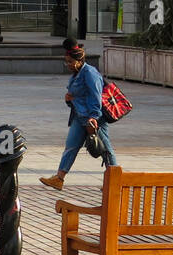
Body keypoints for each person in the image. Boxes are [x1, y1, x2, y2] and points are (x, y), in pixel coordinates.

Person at [39, 41, 117, 190]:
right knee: (71, 146)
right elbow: (79, 96)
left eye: (70, 62)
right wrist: (69, 100)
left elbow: (96, 96)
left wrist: (93, 117)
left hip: (93, 118)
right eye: (66, 62)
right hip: (79, 116)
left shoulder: (90, 73)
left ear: (79, 60)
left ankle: (114, 181)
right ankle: (59, 178)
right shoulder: (77, 74)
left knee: (105, 149)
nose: (67, 65)